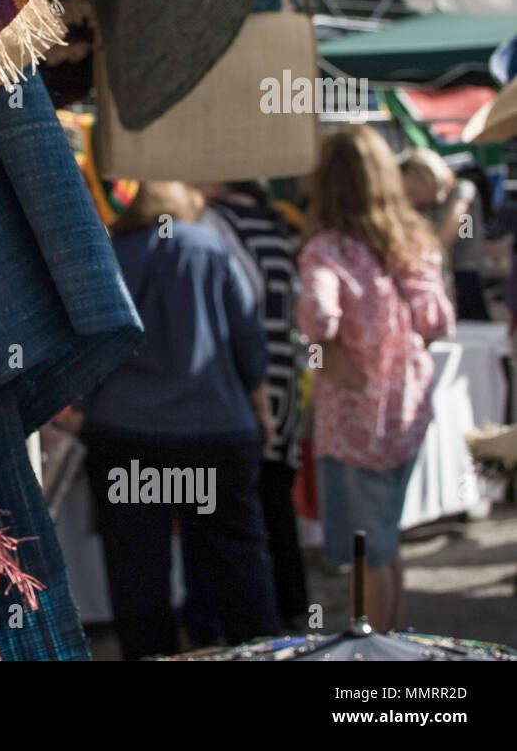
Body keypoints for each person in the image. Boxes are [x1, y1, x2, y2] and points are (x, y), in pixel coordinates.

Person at [75, 181, 281, 659]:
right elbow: (249, 336)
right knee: (238, 562)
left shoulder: (111, 250)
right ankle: (262, 654)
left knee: (137, 571)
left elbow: (91, 339)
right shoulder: (209, 244)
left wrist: (79, 412)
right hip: (216, 431)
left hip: (128, 436)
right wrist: (262, 409)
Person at [298, 126, 454, 633]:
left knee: (369, 551)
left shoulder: (327, 250)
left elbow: (317, 320)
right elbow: (438, 322)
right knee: (387, 540)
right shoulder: (414, 243)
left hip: (353, 423)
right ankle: (397, 640)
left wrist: (328, 349)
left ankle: (374, 652)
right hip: (407, 414)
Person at [199, 180, 309, 629]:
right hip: (280, 376)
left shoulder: (218, 222)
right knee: (274, 498)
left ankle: (263, 624)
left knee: (247, 514)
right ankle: (291, 608)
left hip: (248, 384)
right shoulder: (276, 221)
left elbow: (241, 312)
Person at [400, 146, 488, 321]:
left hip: (462, 275)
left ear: (425, 177)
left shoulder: (463, 192)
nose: (412, 199)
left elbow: (450, 234)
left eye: (412, 193)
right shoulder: (426, 205)